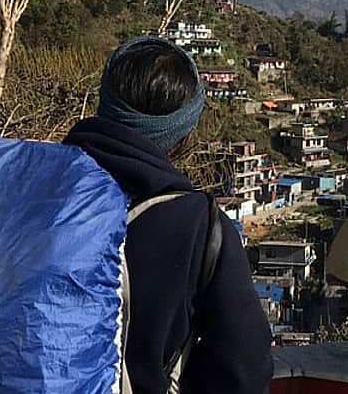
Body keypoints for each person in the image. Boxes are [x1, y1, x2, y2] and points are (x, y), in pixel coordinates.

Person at [64, 35, 273, 394]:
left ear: (104, 102)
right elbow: (244, 367)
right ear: (183, 134)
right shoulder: (198, 226)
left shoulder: (37, 189)